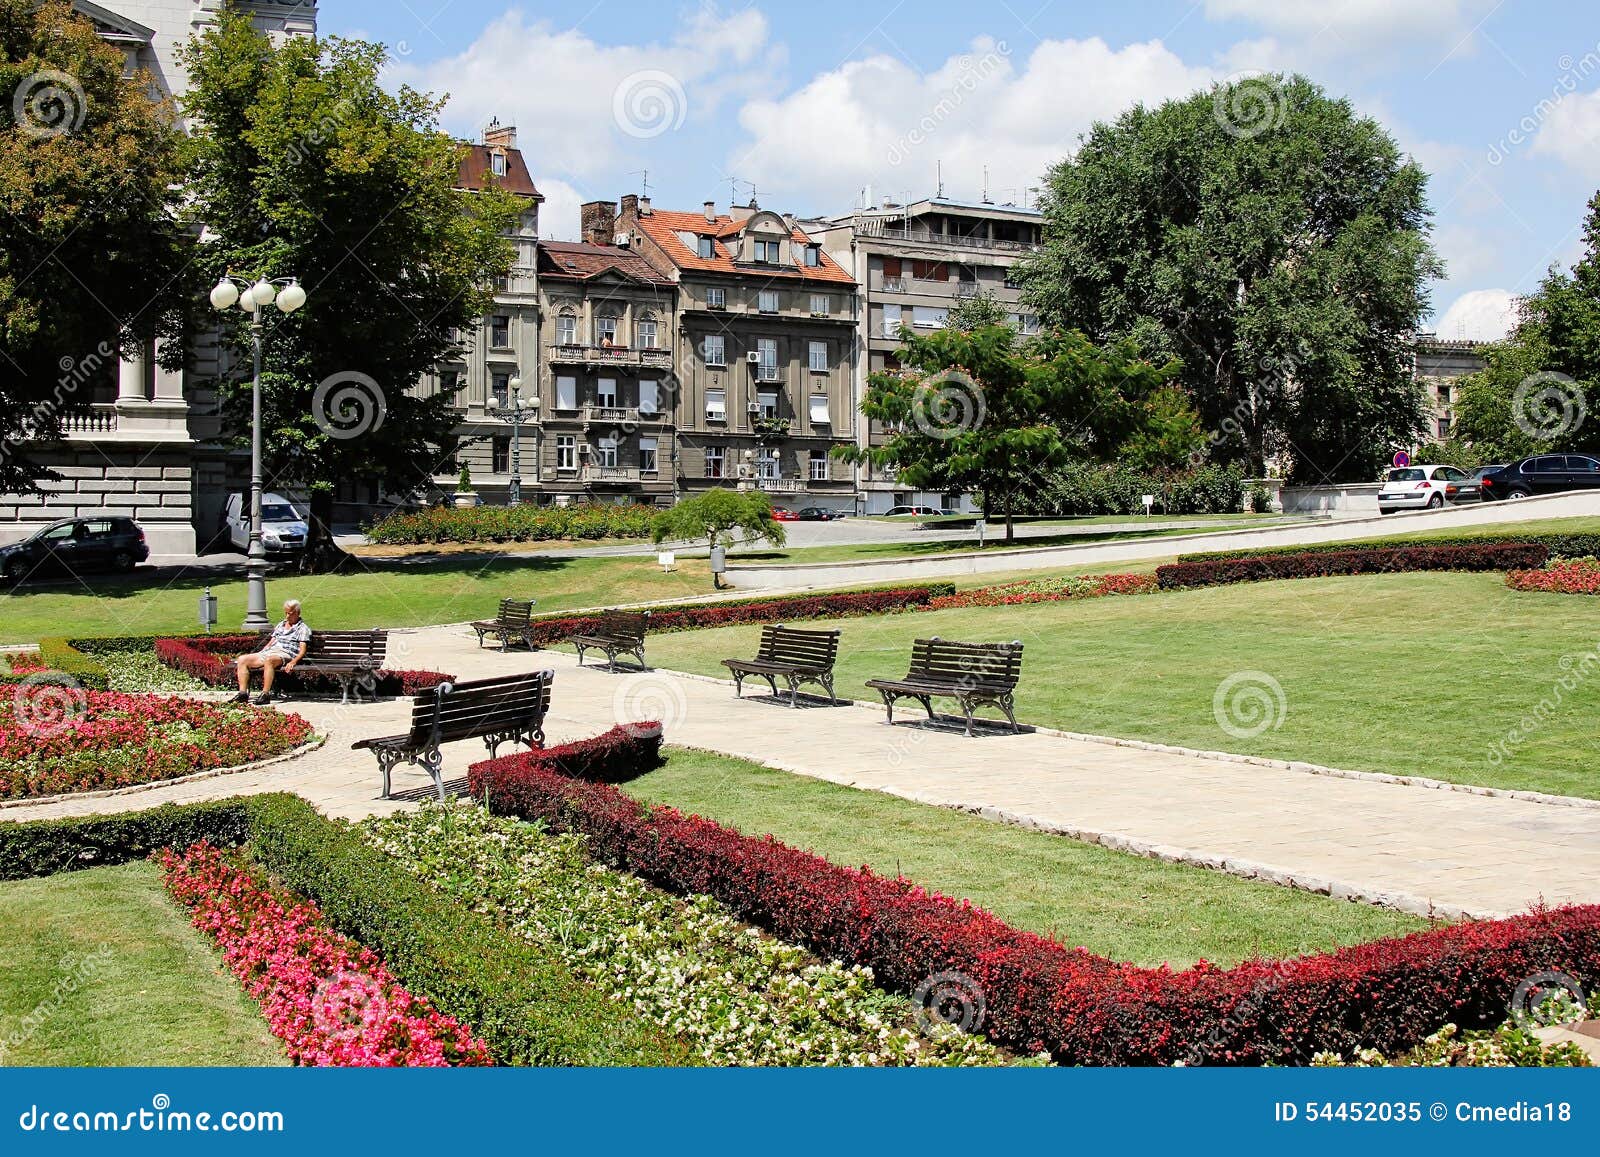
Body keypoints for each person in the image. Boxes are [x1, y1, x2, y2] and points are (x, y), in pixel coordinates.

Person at [233, 599, 311, 705]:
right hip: (271, 651)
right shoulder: (281, 625)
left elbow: (302, 650)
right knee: (242, 659)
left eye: (290, 613)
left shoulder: (303, 628)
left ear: (297, 613)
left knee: (269, 660)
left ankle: (265, 694)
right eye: (286, 613)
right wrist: (262, 652)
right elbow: (270, 642)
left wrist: (293, 662)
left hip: (286, 653)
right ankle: (242, 694)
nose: (287, 616)